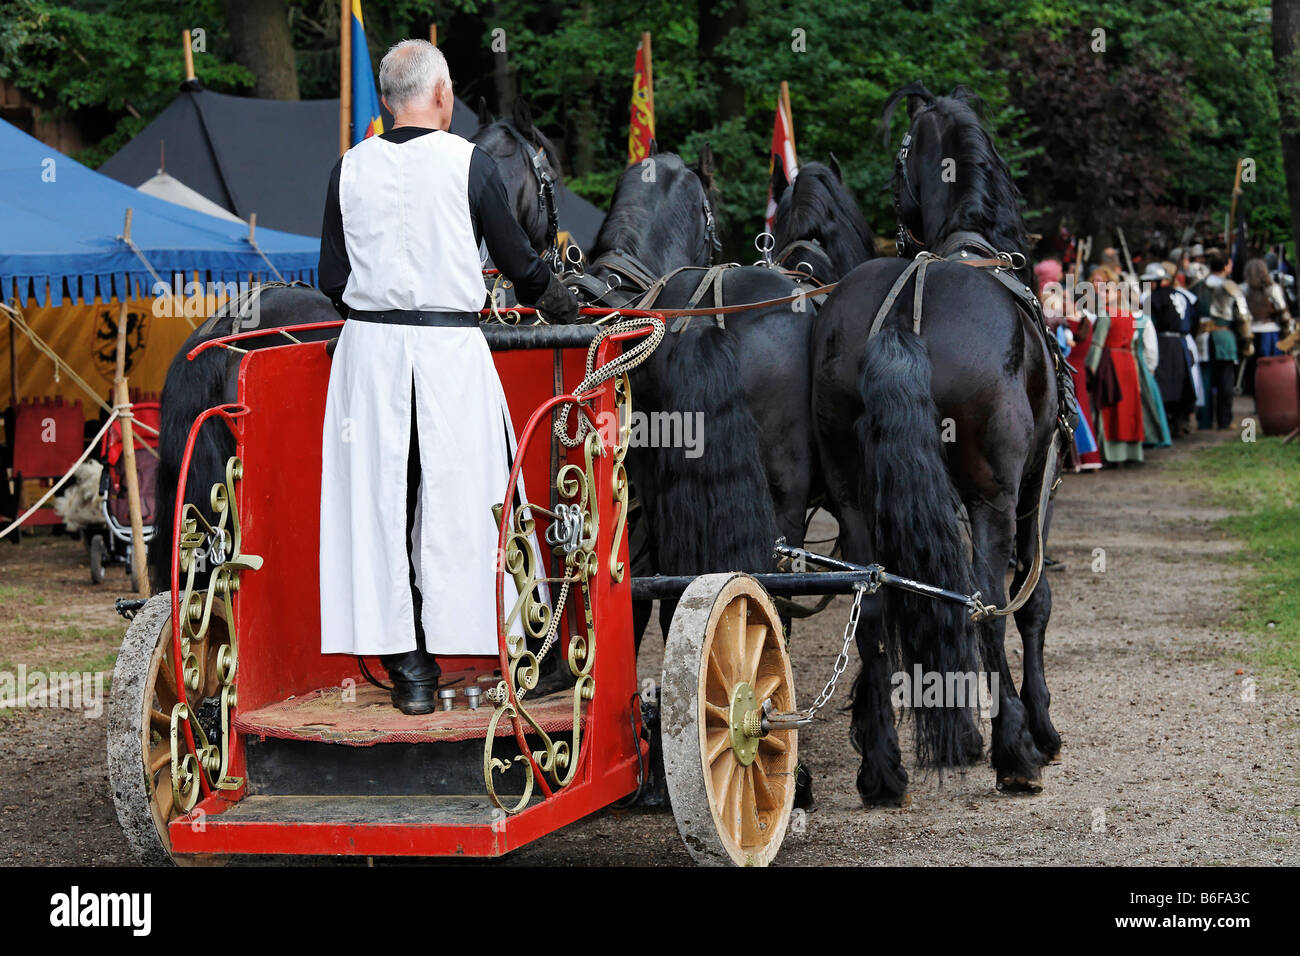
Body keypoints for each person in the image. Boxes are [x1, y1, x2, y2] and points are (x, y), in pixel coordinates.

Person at [316, 39, 580, 714]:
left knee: (382, 505)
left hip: (368, 359)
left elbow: (332, 281)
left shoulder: (348, 169)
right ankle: (501, 643)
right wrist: (565, 303)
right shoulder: (473, 164)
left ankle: (411, 672)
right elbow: (523, 266)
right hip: (449, 356)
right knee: (473, 498)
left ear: (386, 101)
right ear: (441, 96)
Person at [1087, 261, 1145, 464]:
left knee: (1110, 408)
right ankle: (1130, 454)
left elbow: (1097, 344)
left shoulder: (1106, 314)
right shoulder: (1129, 315)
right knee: (1127, 408)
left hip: (1110, 363)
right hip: (1127, 362)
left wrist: (1090, 369)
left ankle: (1111, 454)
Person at [1190, 250, 1250, 431]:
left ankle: (1204, 421)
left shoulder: (1197, 286)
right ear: (1226, 266)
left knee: (1205, 381)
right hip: (1224, 338)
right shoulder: (1231, 288)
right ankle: (1224, 420)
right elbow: (1243, 316)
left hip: (1202, 338)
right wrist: (1247, 340)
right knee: (1225, 382)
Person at [1243, 257, 1293, 394]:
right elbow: (1283, 311)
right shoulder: (1272, 289)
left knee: (1255, 368)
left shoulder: (1243, 289)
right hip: (1270, 333)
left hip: (1251, 333)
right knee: (1272, 368)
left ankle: (1256, 396)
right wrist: (1288, 331)